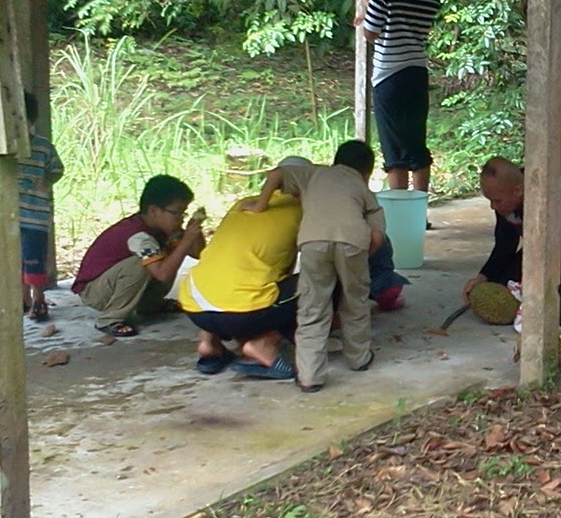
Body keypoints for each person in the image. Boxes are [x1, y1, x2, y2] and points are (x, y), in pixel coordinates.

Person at [247, 140, 385, 393]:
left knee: (313, 307)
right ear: (367, 171)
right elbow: (376, 237)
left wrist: (259, 205)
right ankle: (359, 359)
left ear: (335, 160)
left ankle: (310, 376)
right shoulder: (363, 188)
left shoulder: (314, 172)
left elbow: (276, 173)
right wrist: (359, 262)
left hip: (313, 241)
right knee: (355, 301)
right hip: (353, 241)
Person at [463, 157, 561, 330]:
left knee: (556, 318)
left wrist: (537, 278)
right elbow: (505, 245)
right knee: (498, 288)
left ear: (517, 191)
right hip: (538, 249)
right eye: (490, 200)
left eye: (497, 201)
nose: (493, 207)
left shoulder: (558, 197)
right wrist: (483, 276)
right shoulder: (506, 196)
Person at [177, 191, 303, 381]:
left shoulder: (243, 203)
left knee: (223, 285)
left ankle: (209, 342)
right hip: (243, 314)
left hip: (195, 308)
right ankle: (263, 344)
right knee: (317, 282)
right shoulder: (301, 209)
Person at [72, 175, 206, 338]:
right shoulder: (139, 236)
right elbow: (162, 274)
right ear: (153, 211)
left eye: (183, 214)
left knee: (168, 255)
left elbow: (198, 254)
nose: (180, 219)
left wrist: (195, 232)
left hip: (113, 285)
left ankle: (150, 306)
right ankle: (110, 319)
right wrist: (186, 240)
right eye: (176, 213)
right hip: (95, 291)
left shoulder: (164, 230)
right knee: (143, 264)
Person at [361, 0, 440, 192]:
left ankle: (402, 218)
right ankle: (419, 214)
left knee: (395, 153)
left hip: (389, 75)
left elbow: (370, 32)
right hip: (416, 72)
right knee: (416, 146)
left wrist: (370, 4)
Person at [18, 91, 65, 323]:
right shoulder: (5, 149)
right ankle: (23, 299)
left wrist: (45, 182)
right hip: (12, 216)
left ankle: (38, 298)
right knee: (17, 260)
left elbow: (57, 169)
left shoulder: (43, 147)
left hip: (36, 215)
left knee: (34, 259)